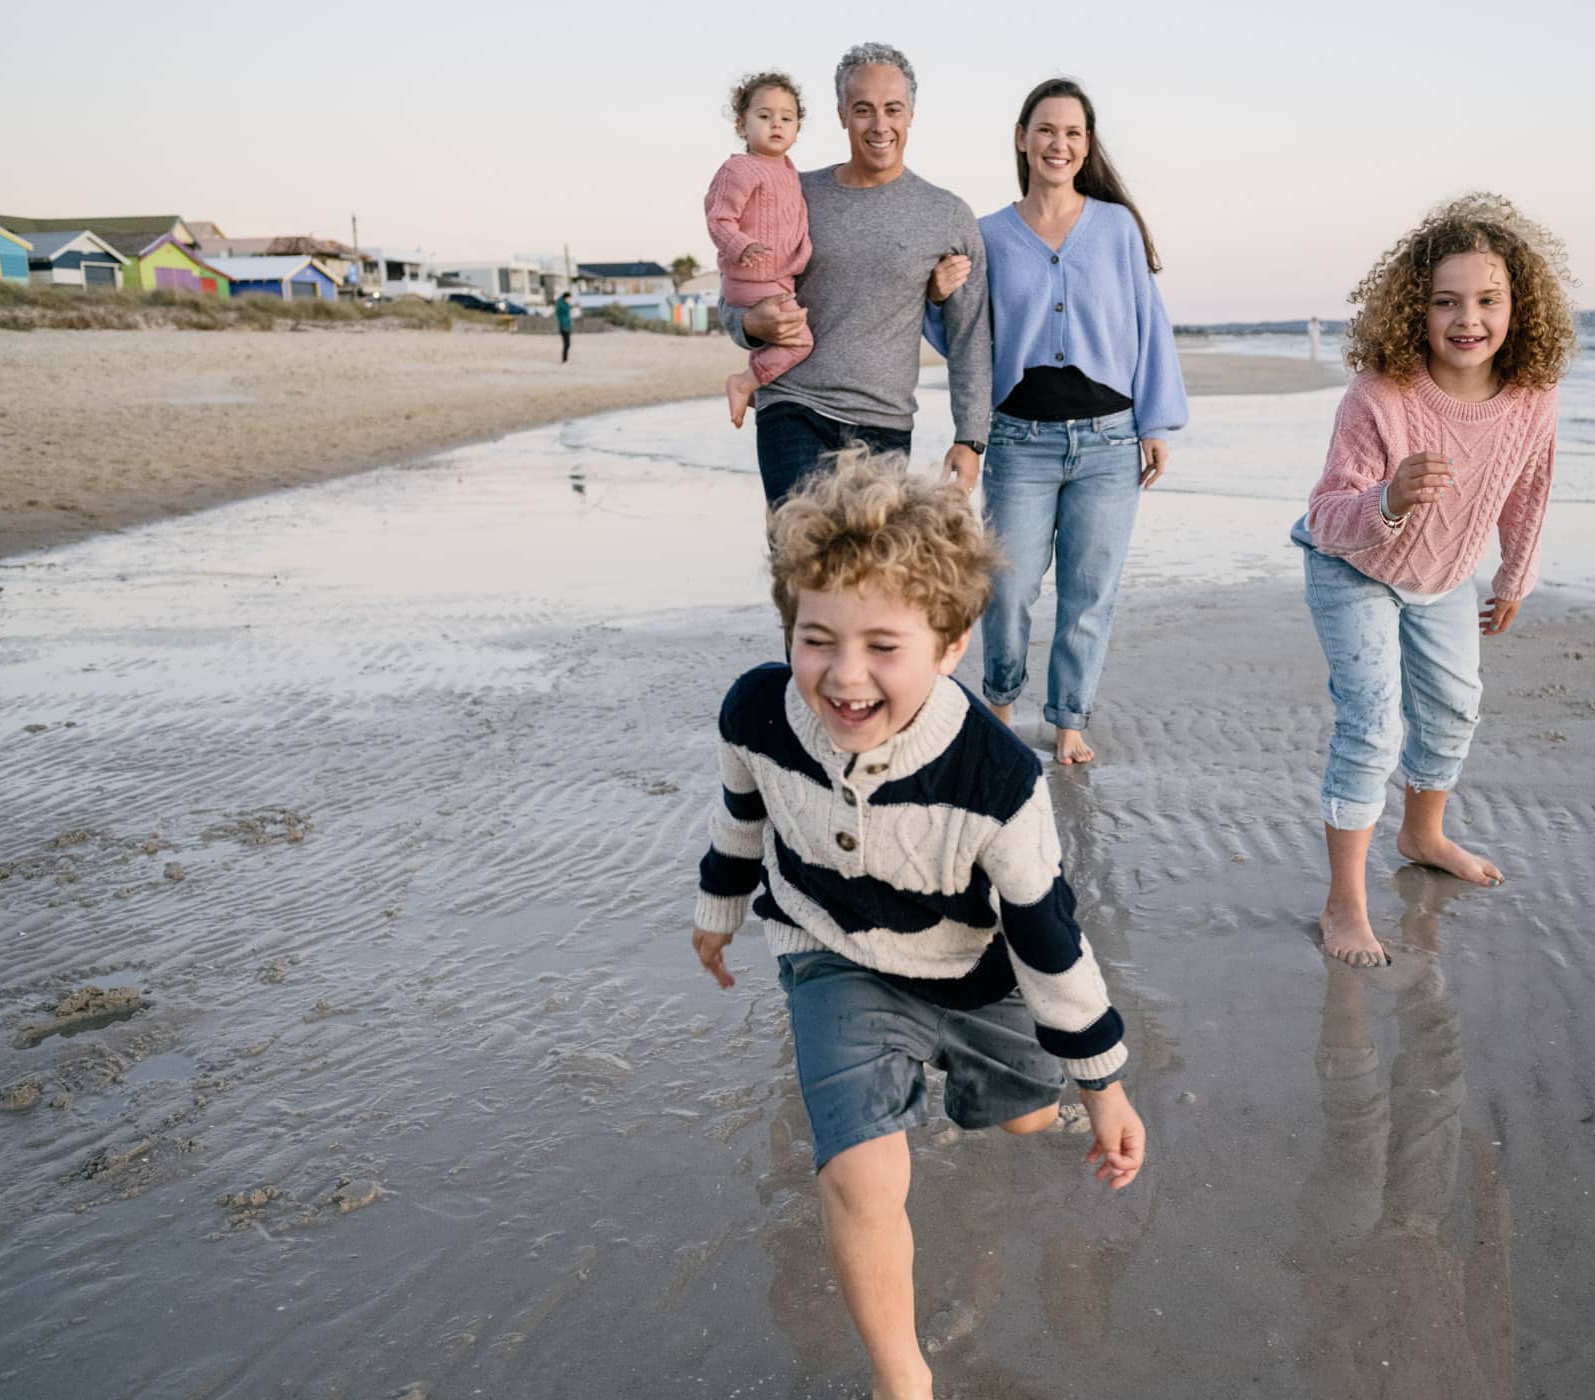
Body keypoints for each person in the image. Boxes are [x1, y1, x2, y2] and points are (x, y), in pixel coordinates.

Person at [690, 448, 1146, 1400]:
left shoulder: (998, 783)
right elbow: (743, 813)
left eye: (882, 646)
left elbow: (1050, 940)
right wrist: (720, 910)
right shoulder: (756, 715)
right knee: (859, 1176)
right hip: (833, 954)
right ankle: (904, 1378)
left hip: (978, 977)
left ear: (949, 644)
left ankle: (1015, 1096)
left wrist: (1100, 1082)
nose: (844, 677)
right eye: (816, 639)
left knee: (1021, 1117)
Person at [1291, 192, 1576, 966]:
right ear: (1416, 308)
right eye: (1447, 302)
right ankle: (1343, 904)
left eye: (1488, 300)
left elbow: (1529, 488)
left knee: (1454, 707)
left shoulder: (1532, 396)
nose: (1468, 320)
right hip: (1354, 567)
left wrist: (1514, 573)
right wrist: (1386, 497)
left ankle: (1423, 833)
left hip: (1446, 573)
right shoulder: (1380, 395)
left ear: (1519, 304)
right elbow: (1325, 514)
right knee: (1373, 725)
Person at [932, 78, 1185, 765]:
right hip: (1019, 440)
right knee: (1006, 587)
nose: (1060, 144)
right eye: (1047, 129)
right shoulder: (987, 235)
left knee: (1088, 593)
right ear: (1022, 138)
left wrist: (1156, 422)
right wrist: (937, 297)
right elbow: (963, 334)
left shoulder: (1116, 227)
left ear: (1087, 145)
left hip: (1109, 439)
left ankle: (1070, 721)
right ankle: (1000, 707)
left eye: (1074, 133)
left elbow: (1147, 323)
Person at [720, 42, 992, 505]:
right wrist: (748, 324)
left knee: (868, 577)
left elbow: (969, 337)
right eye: (863, 109)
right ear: (842, 114)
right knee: (803, 567)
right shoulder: (794, 193)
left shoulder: (946, 215)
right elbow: (735, 287)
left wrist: (969, 439)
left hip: (884, 423)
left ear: (910, 115)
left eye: (893, 109)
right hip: (794, 406)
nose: (880, 125)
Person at [704, 71, 813, 429]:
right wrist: (741, 245)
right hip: (750, 275)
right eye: (764, 116)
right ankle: (746, 382)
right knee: (800, 341)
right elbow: (718, 218)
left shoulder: (788, 170)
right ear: (742, 123)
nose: (776, 125)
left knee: (789, 336)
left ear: (797, 127)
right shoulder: (739, 169)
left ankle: (756, 384)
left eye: (787, 118)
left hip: (777, 278)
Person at [554, 291, 573, 363]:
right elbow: (565, 311)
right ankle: (564, 360)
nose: (570, 300)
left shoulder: (563, 304)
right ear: (566, 297)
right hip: (564, 326)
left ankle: (565, 359)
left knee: (567, 344)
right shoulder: (561, 304)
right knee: (567, 344)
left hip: (567, 325)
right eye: (569, 298)